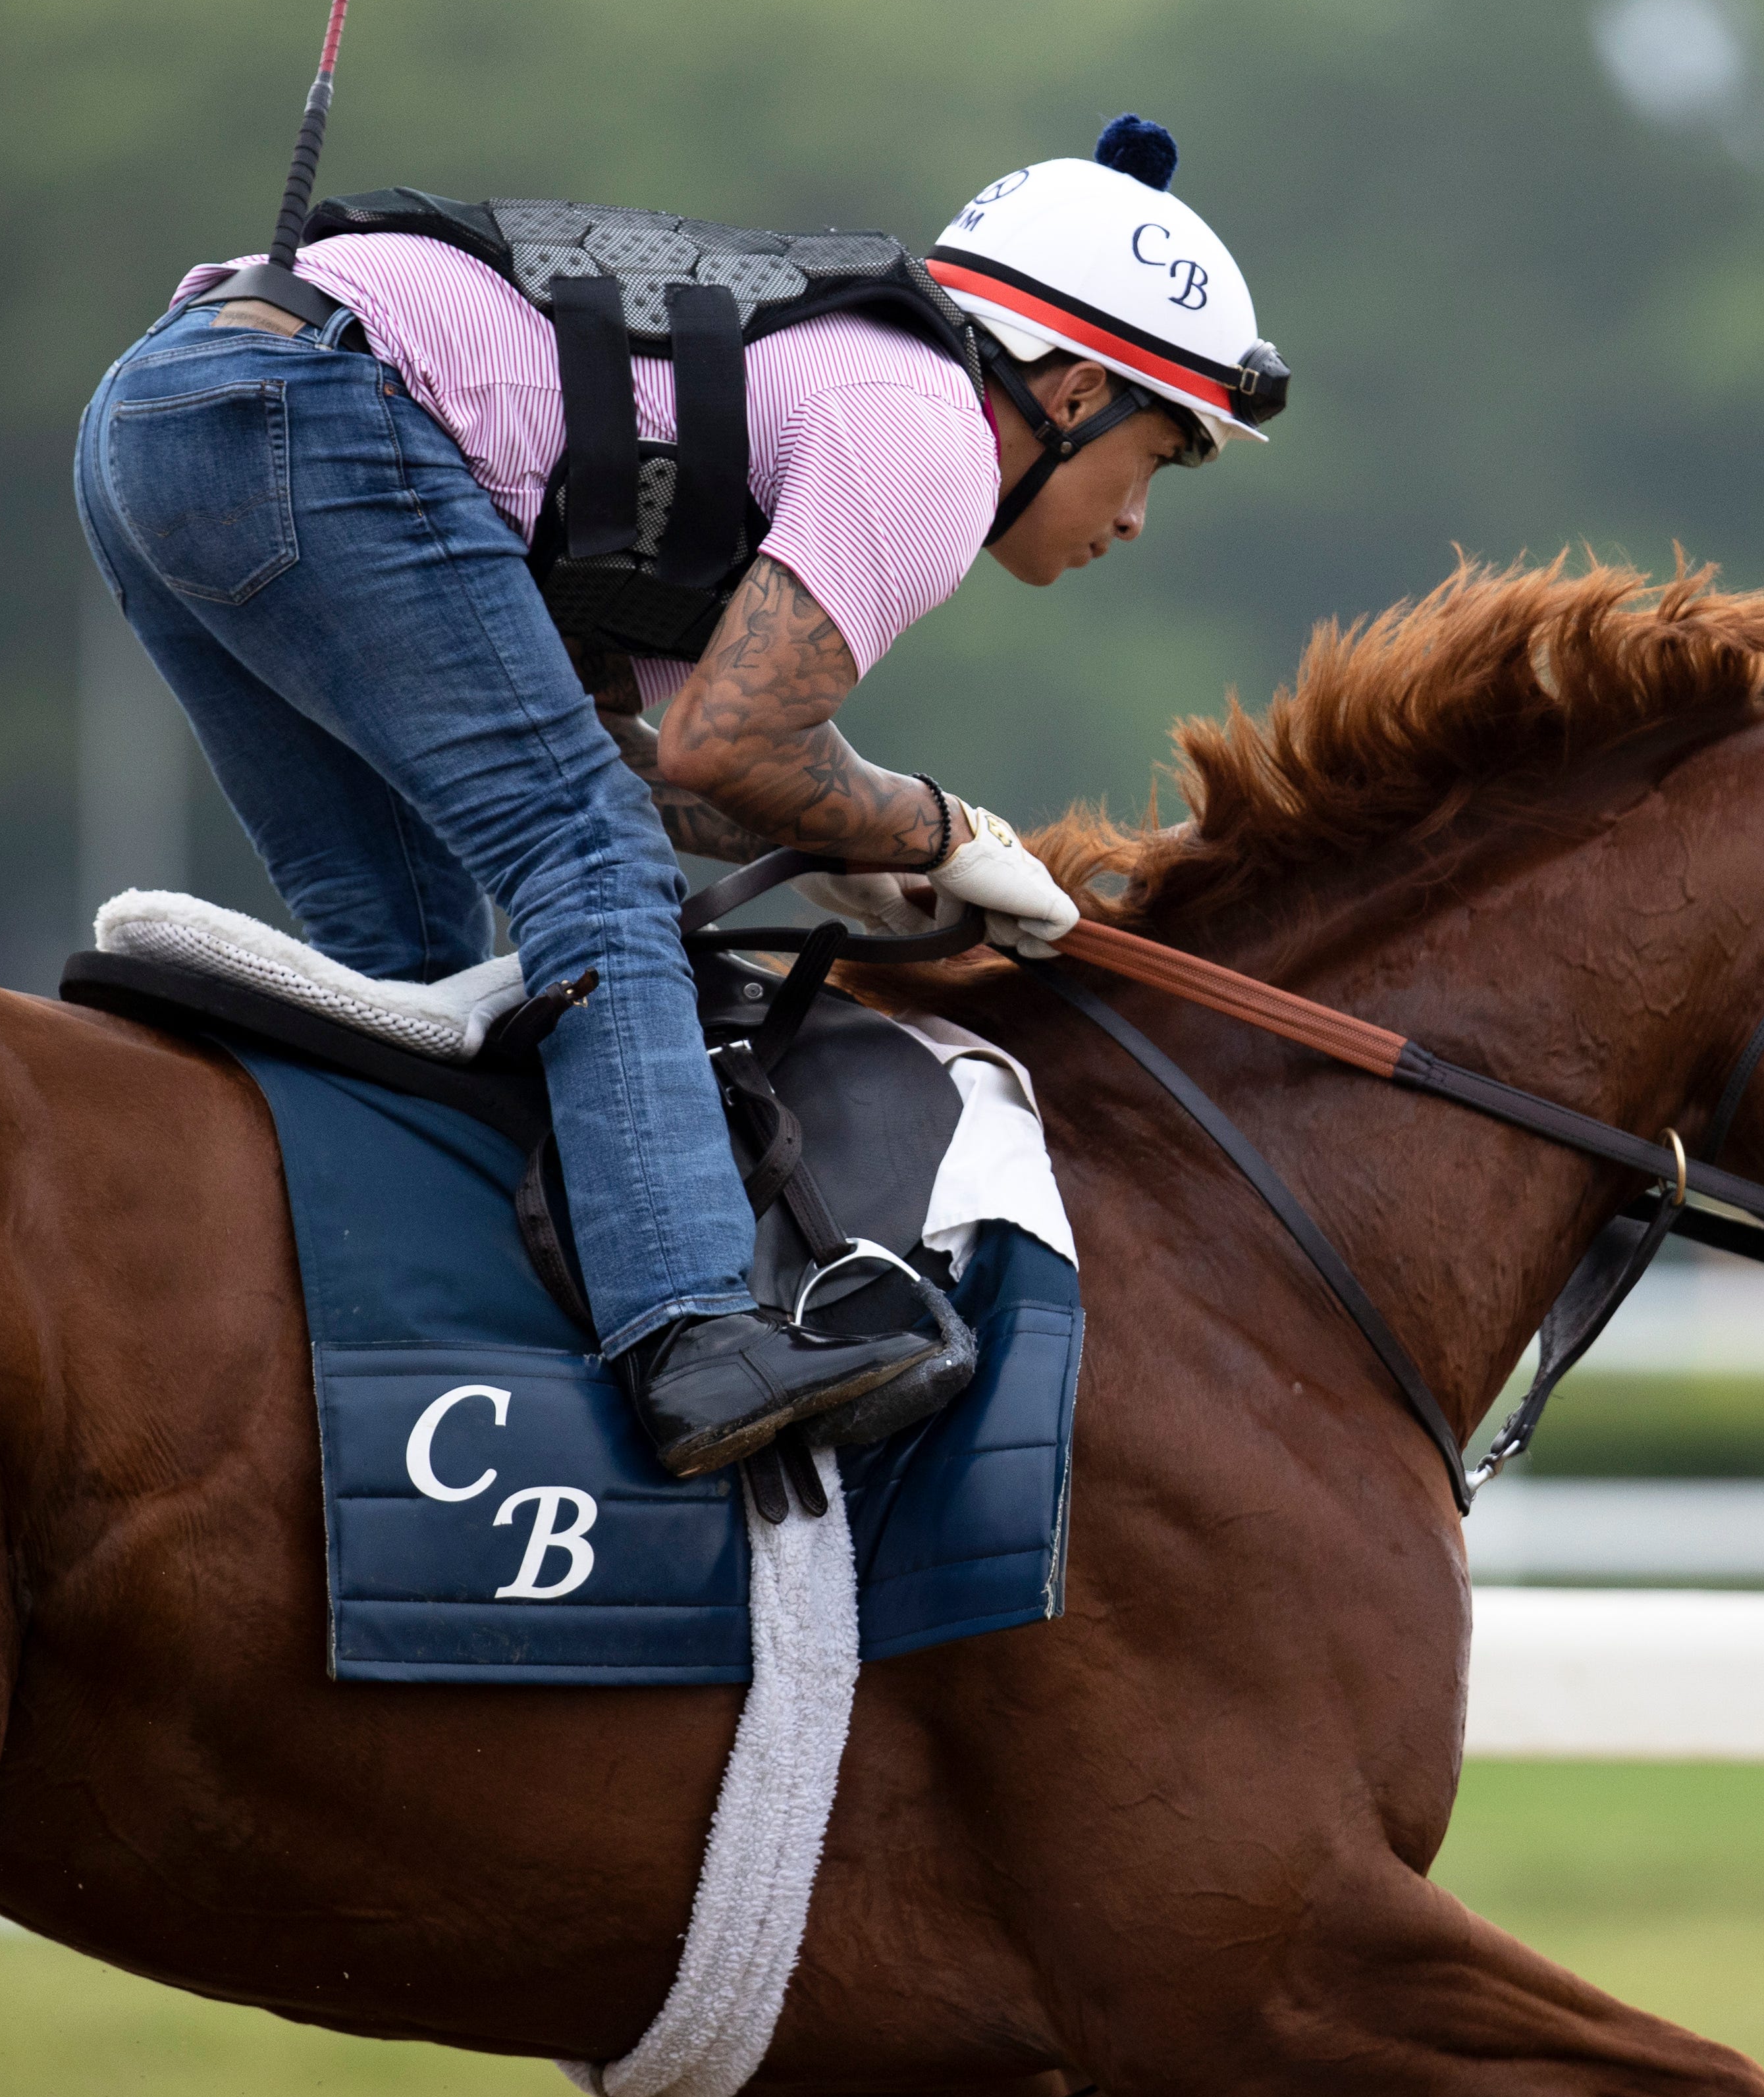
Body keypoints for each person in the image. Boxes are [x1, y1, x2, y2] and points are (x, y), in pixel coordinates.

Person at [70, 115, 1285, 1476]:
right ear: (1070, 396)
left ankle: (364, 1338)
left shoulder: (823, 384)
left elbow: (634, 759)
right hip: (309, 415)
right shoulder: (935, 439)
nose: (1132, 519)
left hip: (166, 416)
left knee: (408, 940)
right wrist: (950, 828)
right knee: (589, 873)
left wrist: (860, 850)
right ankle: (697, 1333)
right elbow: (720, 749)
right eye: (1163, 456)